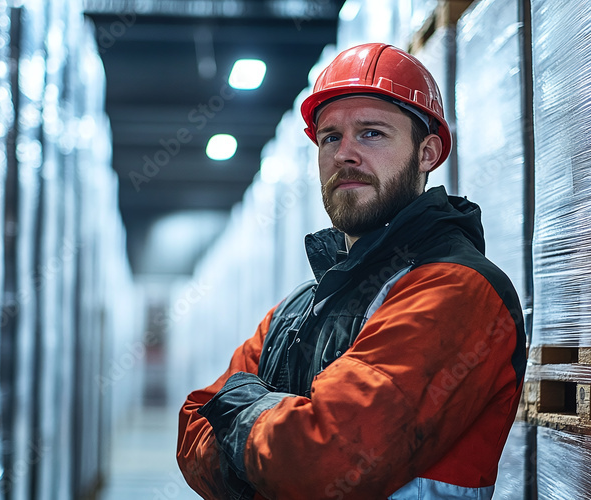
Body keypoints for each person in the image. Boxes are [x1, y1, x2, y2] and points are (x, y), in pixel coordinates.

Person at [176, 42, 526, 500]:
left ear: (427, 153)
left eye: (372, 134)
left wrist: (243, 415)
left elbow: (326, 462)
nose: (345, 154)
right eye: (330, 137)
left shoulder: (457, 289)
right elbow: (192, 423)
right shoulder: (298, 308)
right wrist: (274, 445)